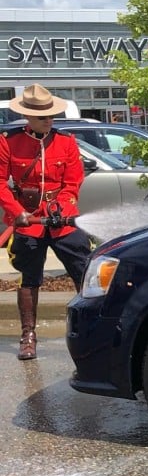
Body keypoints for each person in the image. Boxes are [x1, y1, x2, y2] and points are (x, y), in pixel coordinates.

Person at [0, 84, 91, 360]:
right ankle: (28, 336)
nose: (49, 121)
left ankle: (88, 331)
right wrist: (16, 211)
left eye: (51, 116)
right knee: (29, 279)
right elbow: (1, 182)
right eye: (42, 117)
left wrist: (60, 207)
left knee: (84, 271)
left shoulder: (66, 141)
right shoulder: (8, 141)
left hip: (61, 220)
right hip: (29, 221)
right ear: (28, 117)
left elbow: (73, 182)